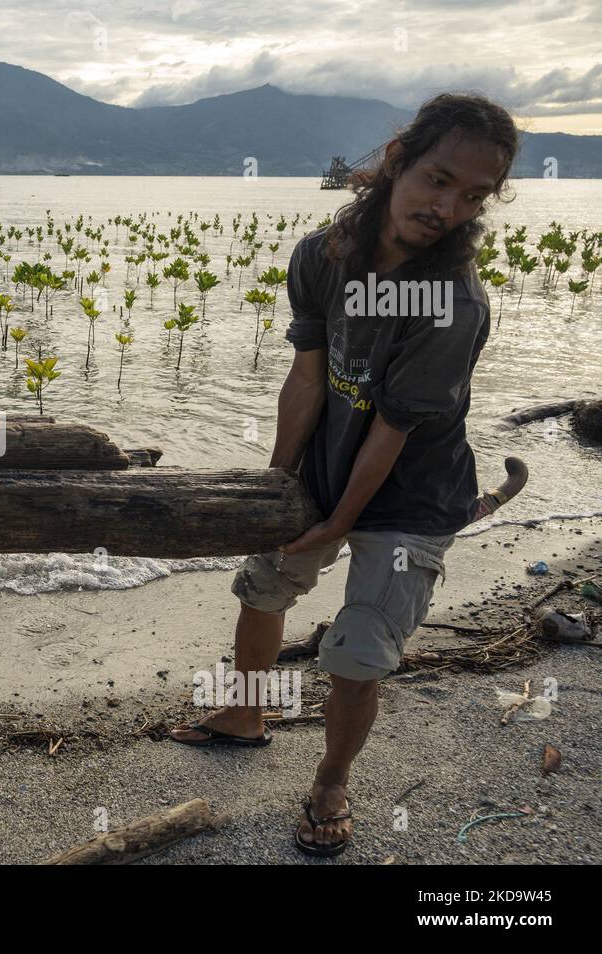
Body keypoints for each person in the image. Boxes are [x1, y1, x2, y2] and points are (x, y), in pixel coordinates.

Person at [169, 93, 520, 856]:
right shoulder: (321, 255)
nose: (446, 206)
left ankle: (331, 780)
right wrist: (277, 486)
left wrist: (336, 524)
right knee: (264, 587)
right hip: (327, 469)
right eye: (436, 178)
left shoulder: (452, 304)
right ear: (397, 159)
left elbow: (393, 429)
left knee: (359, 652)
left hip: (412, 498)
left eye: (472, 196)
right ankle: (245, 712)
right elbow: (306, 377)